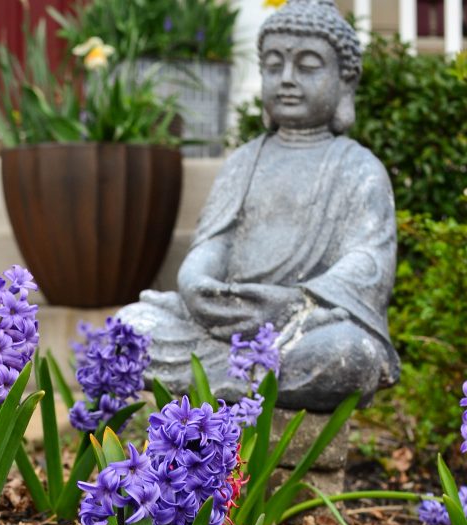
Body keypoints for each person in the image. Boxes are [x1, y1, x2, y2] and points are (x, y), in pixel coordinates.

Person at [118, 0, 400, 410]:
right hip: (223, 325)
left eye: (307, 66)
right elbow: (213, 243)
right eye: (273, 65)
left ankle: (223, 385)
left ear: (344, 82)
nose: (287, 79)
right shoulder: (243, 162)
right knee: (131, 328)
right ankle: (246, 383)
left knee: (351, 355)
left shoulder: (359, 168)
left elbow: (368, 265)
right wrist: (196, 285)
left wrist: (295, 301)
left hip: (300, 328)